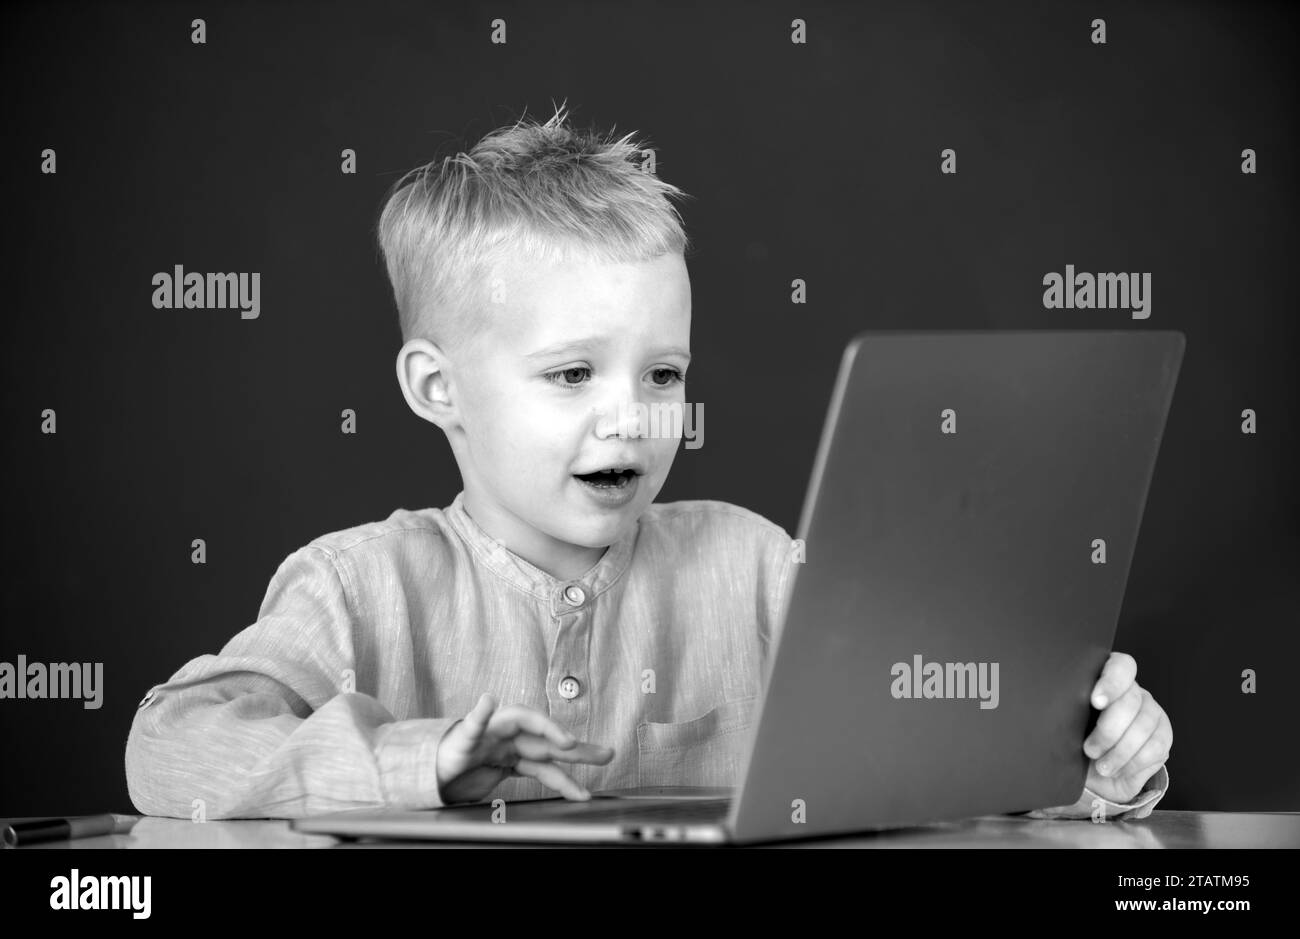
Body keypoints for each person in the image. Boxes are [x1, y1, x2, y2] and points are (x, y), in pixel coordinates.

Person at [125, 104, 1170, 822]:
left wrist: (1090, 758)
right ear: (438, 389)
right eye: (573, 375)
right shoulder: (360, 588)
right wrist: (415, 764)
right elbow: (169, 747)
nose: (631, 419)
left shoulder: (751, 566)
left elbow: (942, 745)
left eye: (662, 375)